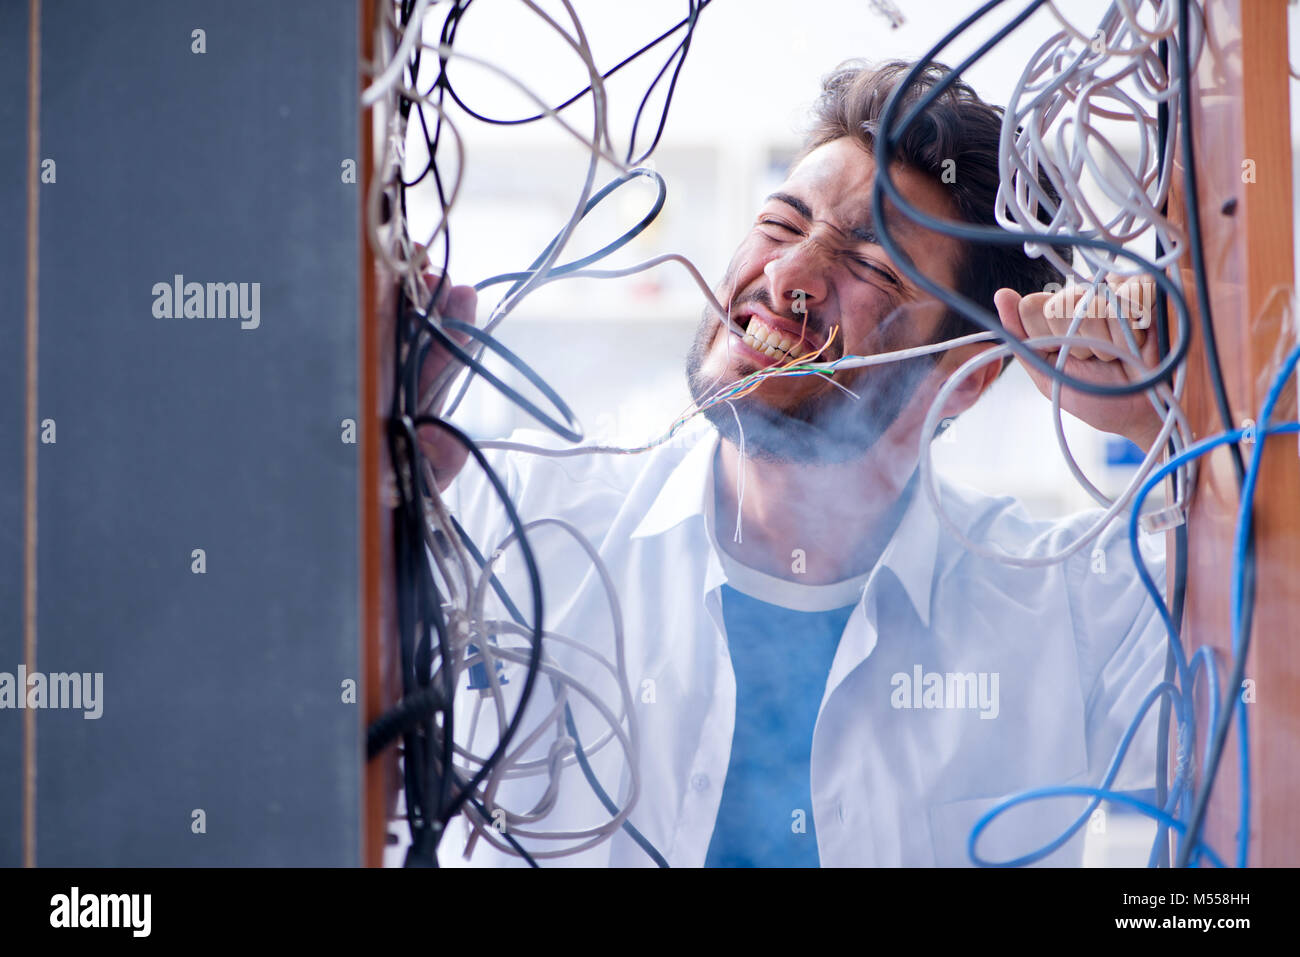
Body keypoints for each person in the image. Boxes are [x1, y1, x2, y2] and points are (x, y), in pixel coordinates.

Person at [410, 60, 1169, 867]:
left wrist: (1196, 440)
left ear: (969, 375)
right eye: (780, 223)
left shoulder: (1072, 611)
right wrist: (361, 501)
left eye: (873, 267)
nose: (786, 276)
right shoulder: (510, 528)